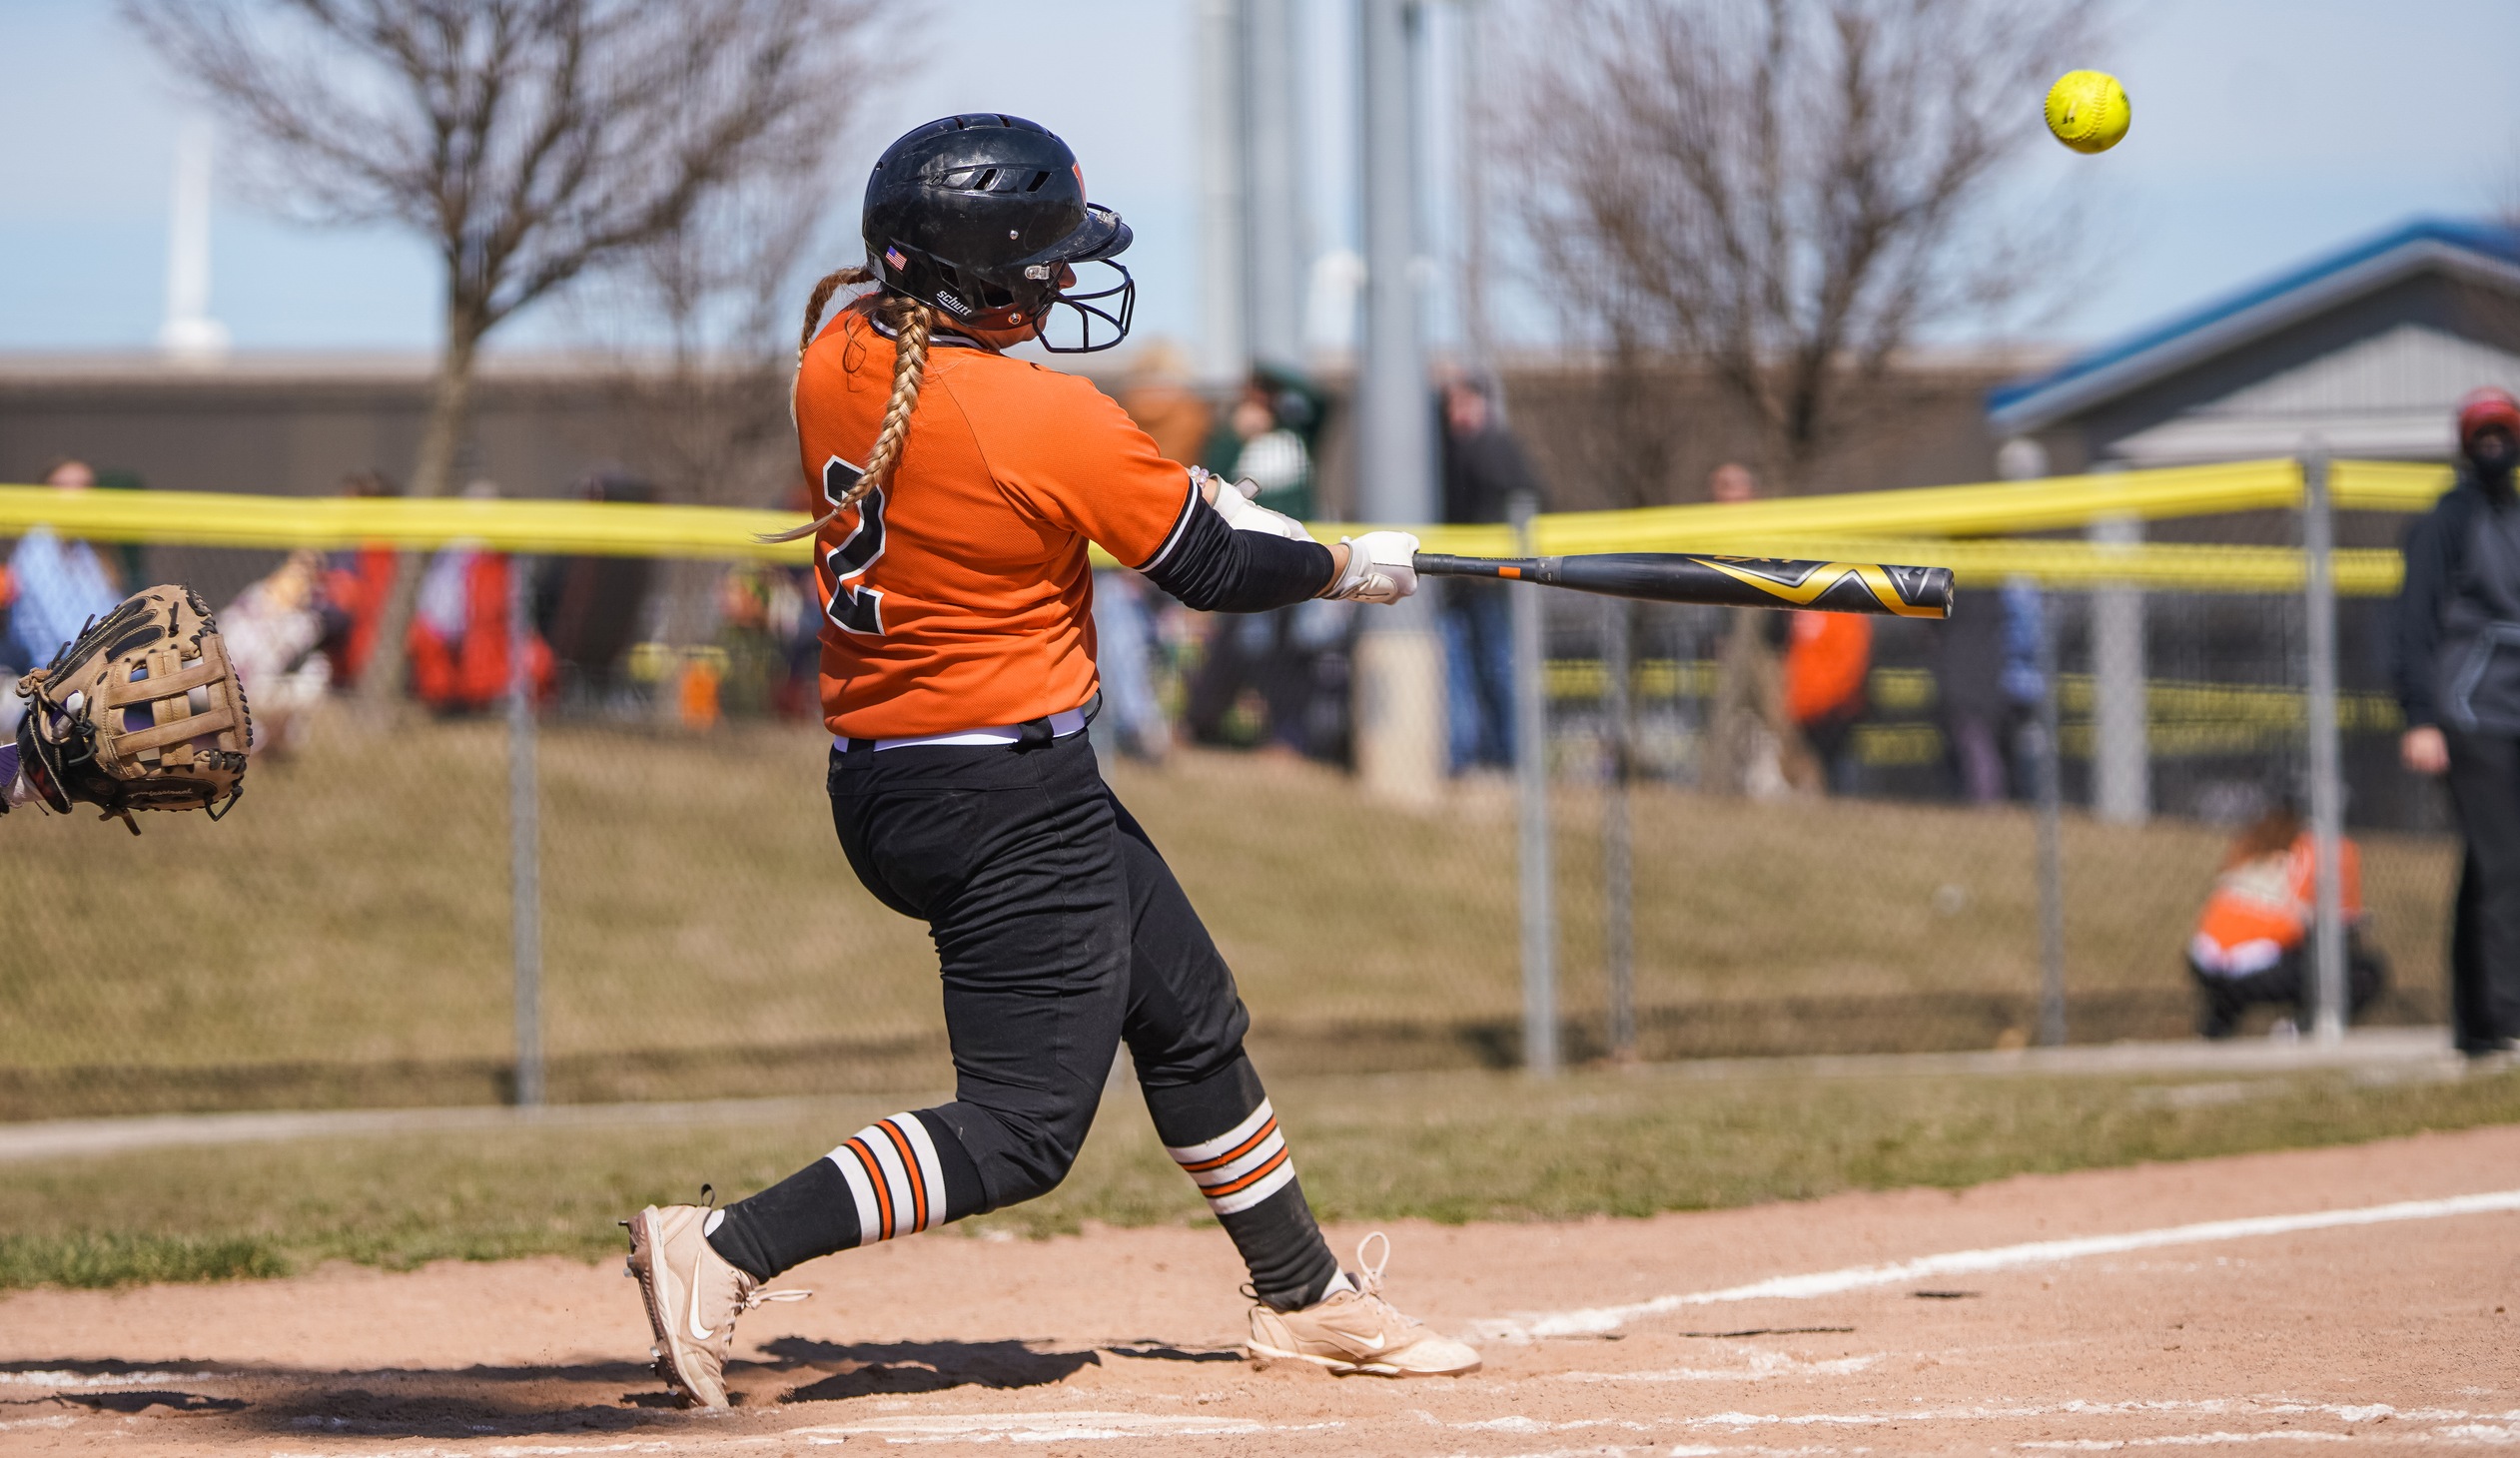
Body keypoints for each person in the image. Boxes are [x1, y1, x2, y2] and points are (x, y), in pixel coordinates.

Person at [619, 114, 1475, 1411]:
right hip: (998, 800)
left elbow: (1105, 499)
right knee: (1021, 1131)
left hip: (913, 780)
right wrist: (1343, 564)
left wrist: (1209, 504)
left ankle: (1298, 1297)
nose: (1063, 281)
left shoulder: (839, 350)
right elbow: (1205, 567)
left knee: (1186, 1014)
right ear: (973, 277)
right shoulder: (1032, 413)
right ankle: (725, 1246)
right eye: (1041, 263)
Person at [2393, 385, 2520, 1056]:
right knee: (2505, 863)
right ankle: (2505, 1015)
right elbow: (2411, 623)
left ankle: (2475, 1025)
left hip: (2515, 711)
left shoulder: (2515, 516)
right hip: (2467, 713)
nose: (2494, 446)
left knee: (2489, 863)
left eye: (2504, 432)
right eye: (2483, 434)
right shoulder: (2447, 520)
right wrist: (2419, 716)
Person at [2186, 802, 2386, 1039]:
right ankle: (2303, 1027)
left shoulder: (2251, 857)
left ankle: (2216, 1029)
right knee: (2363, 970)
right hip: (2250, 964)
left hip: (2205, 962)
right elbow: (2298, 923)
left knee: (2302, 949)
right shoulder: (2308, 853)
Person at [1438, 376, 1543, 772]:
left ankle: (1508, 756)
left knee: (1498, 667)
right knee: (1459, 670)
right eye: (1451, 405)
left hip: (1493, 581)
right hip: (1456, 581)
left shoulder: (1495, 447)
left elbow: (1528, 498)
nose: (1456, 413)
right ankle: (1465, 758)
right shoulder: (1446, 451)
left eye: (1464, 403)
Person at [5, 459, 124, 675]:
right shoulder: (36, 551)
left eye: (85, 487)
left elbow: (114, 613)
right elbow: (67, 636)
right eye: (63, 487)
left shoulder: (87, 549)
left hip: (103, 666)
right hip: (55, 677)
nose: (76, 496)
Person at [1781, 608, 1871, 793]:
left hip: (1835, 713)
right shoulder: (1797, 609)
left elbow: (1851, 662)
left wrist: (1829, 700)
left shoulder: (1844, 612)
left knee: (1841, 775)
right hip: (1802, 714)